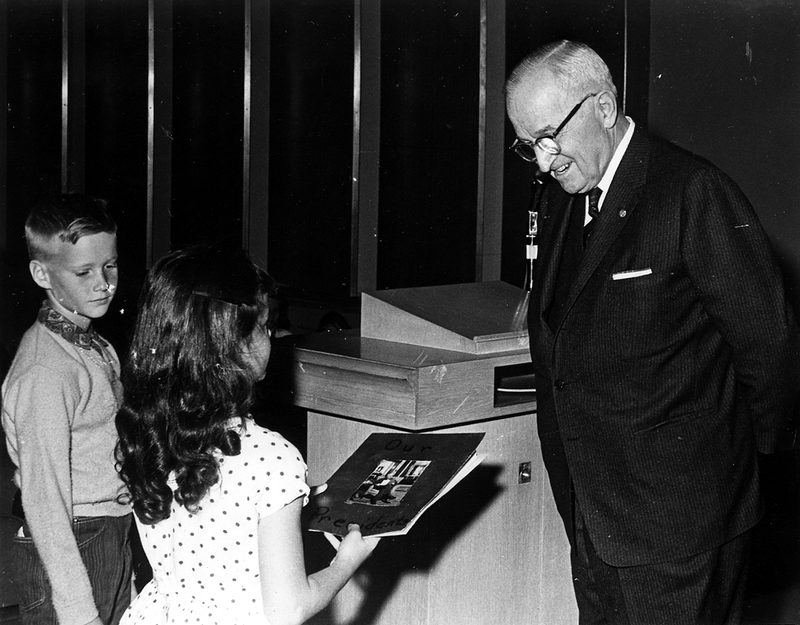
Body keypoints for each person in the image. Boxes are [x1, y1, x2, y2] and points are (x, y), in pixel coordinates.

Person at [505, 40, 800, 624]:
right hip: (596, 518)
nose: (542, 161)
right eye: (528, 145)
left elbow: (770, 344)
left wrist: (741, 468)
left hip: (682, 523)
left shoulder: (691, 191)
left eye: (549, 137)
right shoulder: (565, 202)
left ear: (604, 108)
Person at [114, 244, 379, 625]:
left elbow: (207, 528)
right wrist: (347, 561)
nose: (271, 337)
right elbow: (289, 610)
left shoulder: (148, 433)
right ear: (234, 343)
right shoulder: (271, 456)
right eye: (265, 327)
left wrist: (290, 503)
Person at [1, 194, 131, 625]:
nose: (104, 283)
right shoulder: (46, 370)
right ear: (42, 273)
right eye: (83, 272)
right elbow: (44, 499)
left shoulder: (94, 345)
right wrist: (77, 611)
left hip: (105, 531)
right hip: (72, 542)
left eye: (110, 265)